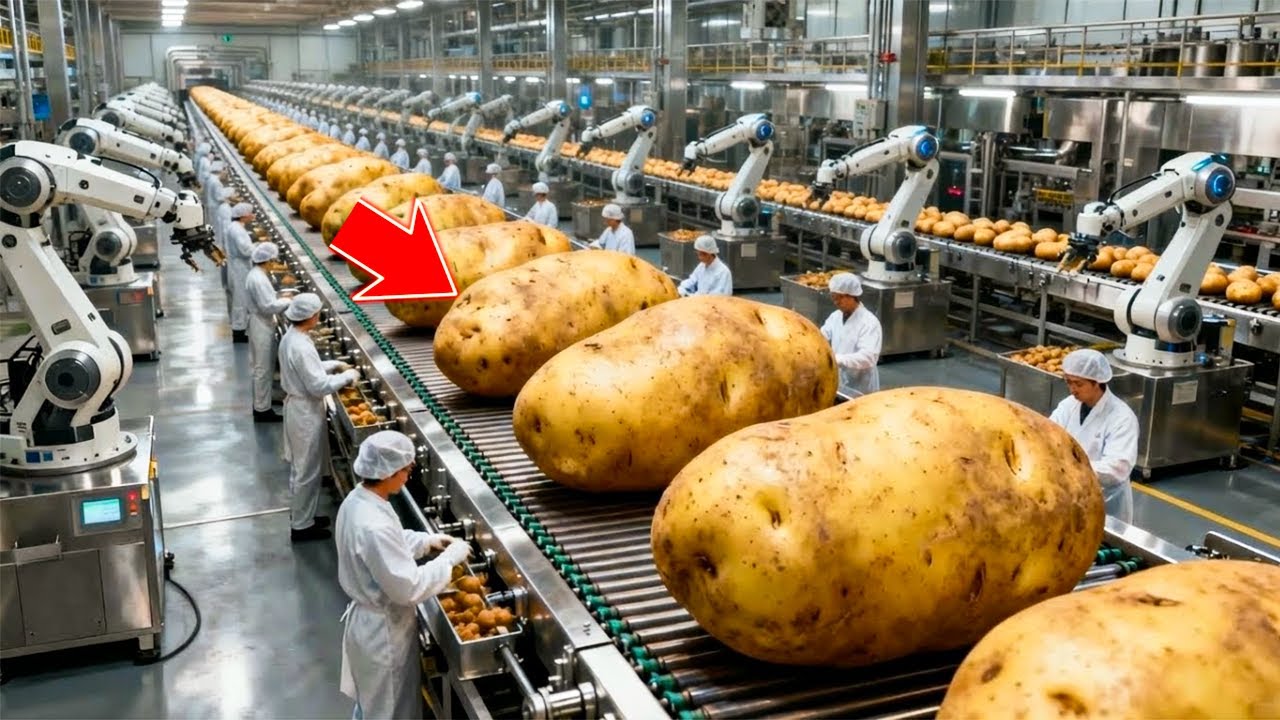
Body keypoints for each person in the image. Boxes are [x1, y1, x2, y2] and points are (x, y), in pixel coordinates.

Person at [336, 431, 472, 720]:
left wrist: (426, 542)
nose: (409, 476)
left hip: (371, 623)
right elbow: (409, 588)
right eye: (407, 470)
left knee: (373, 705)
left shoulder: (359, 500)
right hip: (383, 635)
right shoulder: (373, 525)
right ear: (389, 473)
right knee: (391, 709)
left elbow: (388, 544)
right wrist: (448, 560)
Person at [278, 293, 360, 542]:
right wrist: (347, 377)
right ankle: (301, 526)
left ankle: (305, 516)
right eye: (317, 313)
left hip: (301, 407)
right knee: (306, 470)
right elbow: (318, 386)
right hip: (305, 412)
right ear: (309, 316)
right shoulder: (300, 345)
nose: (318, 316)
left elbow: (308, 370)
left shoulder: (294, 337)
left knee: (305, 467)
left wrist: (333, 363)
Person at [1049, 349, 1138, 523]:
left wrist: (1071, 468)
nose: (1072, 389)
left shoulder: (1122, 417)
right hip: (1071, 496)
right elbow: (1048, 433)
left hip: (1107, 503)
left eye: (1078, 384)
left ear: (1097, 383)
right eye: (1069, 382)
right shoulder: (1069, 405)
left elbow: (1117, 468)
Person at [245, 242, 293, 423]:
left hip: (262, 323)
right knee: (262, 369)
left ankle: (264, 400)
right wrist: (289, 302)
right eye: (273, 260)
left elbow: (268, 300)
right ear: (267, 260)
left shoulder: (258, 275)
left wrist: (281, 298)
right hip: (261, 324)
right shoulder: (257, 278)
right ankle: (262, 410)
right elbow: (268, 306)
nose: (275, 263)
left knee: (264, 367)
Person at [819, 272, 882, 398]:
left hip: (862, 387)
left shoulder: (869, 322)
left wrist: (838, 359)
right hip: (840, 382)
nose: (836, 302)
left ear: (852, 296)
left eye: (839, 298)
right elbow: (821, 337)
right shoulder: (835, 316)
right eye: (833, 297)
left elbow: (868, 357)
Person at [225, 202, 256, 343]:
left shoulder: (235, 227)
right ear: (243, 216)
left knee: (240, 298)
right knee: (241, 300)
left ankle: (240, 328)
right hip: (240, 268)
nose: (252, 215)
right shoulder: (237, 230)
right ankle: (239, 332)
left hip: (237, 266)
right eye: (250, 213)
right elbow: (245, 250)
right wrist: (259, 249)